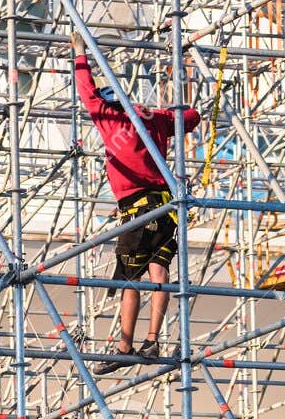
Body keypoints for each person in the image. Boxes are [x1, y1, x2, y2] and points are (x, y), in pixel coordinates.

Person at [72, 32, 199, 370]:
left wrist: (79, 55)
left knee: (129, 280)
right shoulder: (153, 119)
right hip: (167, 208)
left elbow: (86, 90)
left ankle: (125, 346)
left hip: (139, 211)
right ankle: (153, 341)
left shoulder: (110, 118)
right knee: (159, 273)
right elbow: (191, 117)